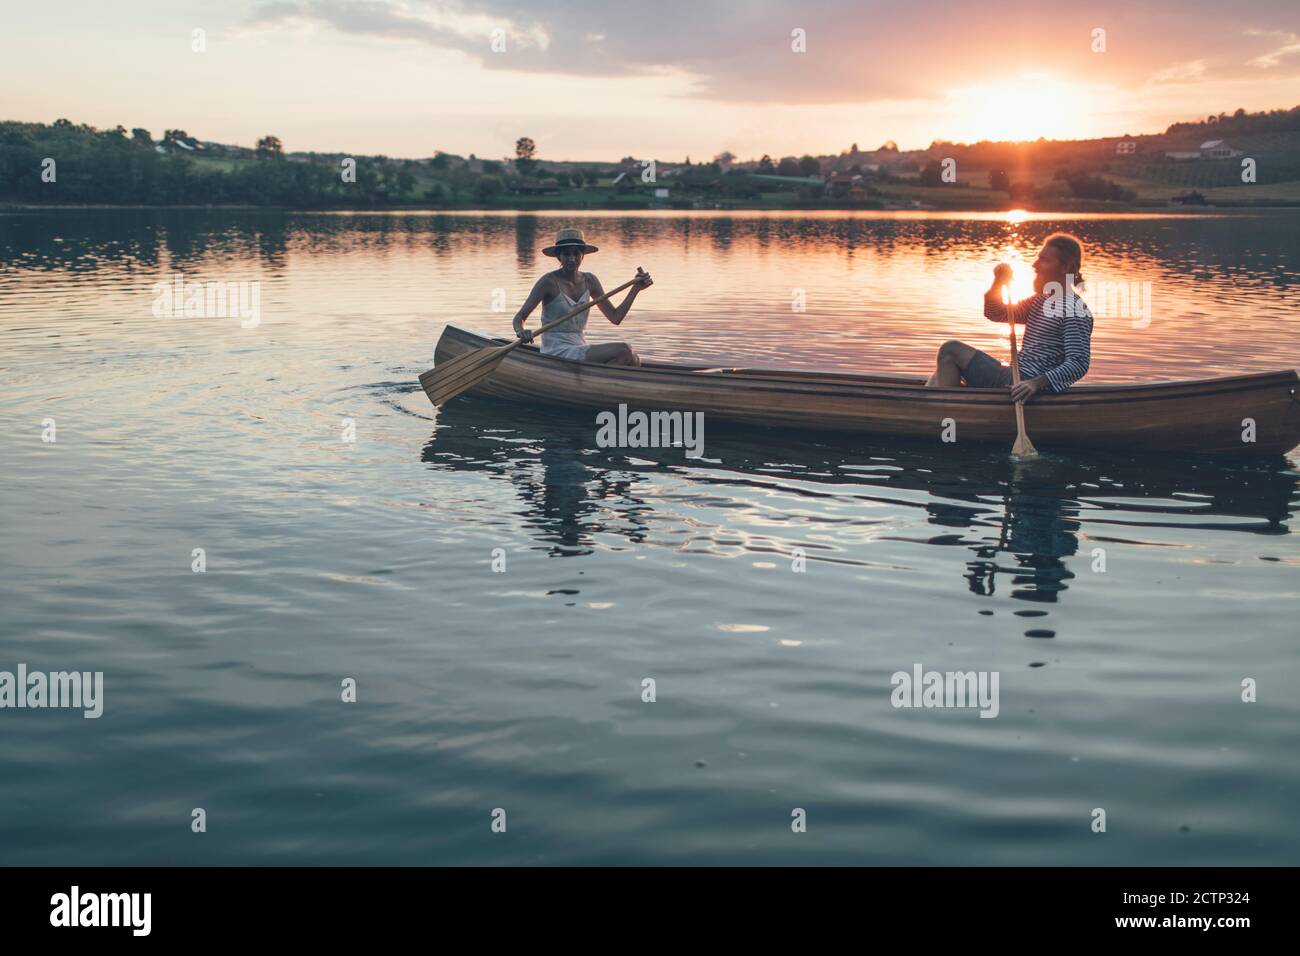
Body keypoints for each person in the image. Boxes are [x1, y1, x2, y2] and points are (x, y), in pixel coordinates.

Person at [926, 232, 1094, 401]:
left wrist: (1035, 384)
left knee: (950, 350)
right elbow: (995, 313)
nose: (1035, 265)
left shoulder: (1075, 310)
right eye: (1038, 258)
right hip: (1014, 377)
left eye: (1044, 260)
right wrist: (998, 283)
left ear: (1066, 268)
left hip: (1024, 385)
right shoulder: (1040, 301)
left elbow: (1078, 363)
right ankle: (935, 408)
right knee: (941, 371)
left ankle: (944, 414)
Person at [511, 227, 652, 366]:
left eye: (576, 254)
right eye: (566, 254)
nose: (572, 259)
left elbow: (615, 317)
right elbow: (519, 318)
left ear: (582, 256)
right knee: (624, 350)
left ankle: (597, 383)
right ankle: (599, 384)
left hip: (579, 346)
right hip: (556, 350)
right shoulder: (548, 282)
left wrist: (635, 290)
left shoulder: (590, 281)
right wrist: (521, 332)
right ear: (559, 256)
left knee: (634, 360)